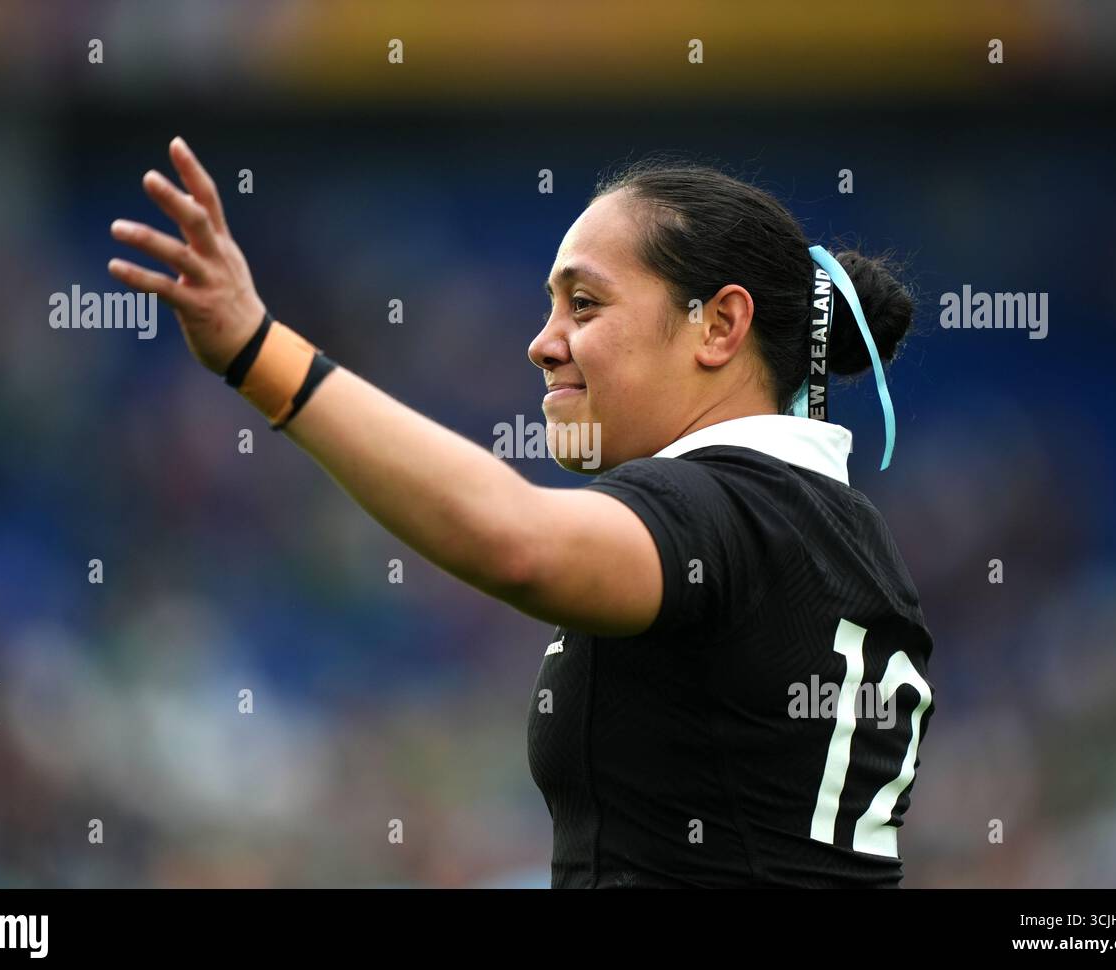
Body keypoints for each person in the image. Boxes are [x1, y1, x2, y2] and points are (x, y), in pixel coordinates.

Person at [109, 138, 935, 887]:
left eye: (584, 304)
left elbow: (516, 543)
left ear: (717, 325)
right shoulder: (843, 532)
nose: (543, 342)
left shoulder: (720, 508)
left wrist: (261, 352)